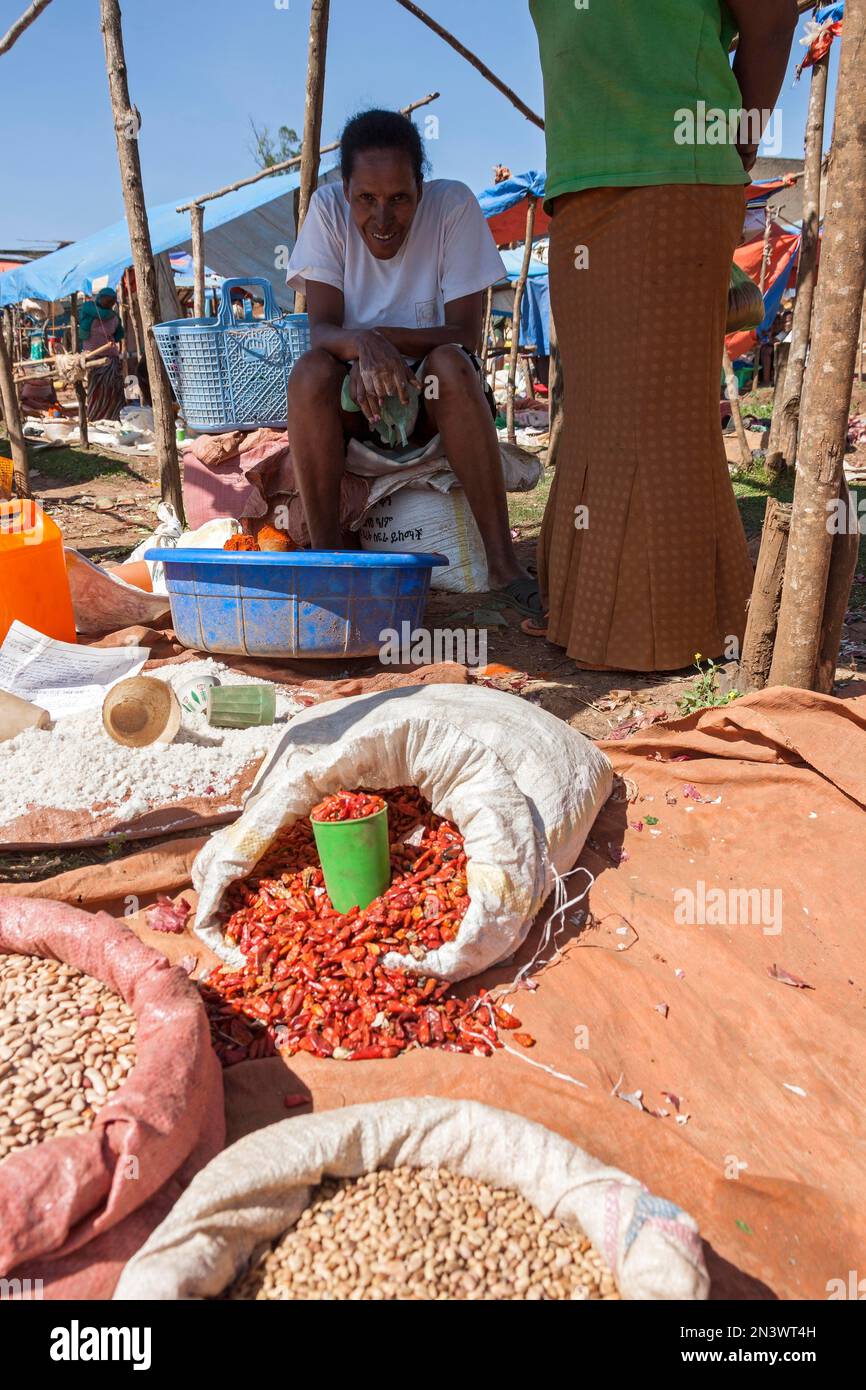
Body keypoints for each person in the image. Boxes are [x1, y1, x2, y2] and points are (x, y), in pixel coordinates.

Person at [528, 0, 798, 670]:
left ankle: (674, 634)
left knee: (656, 423)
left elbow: (772, 20)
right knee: (596, 416)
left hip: (678, 172)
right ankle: (588, 619)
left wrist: (734, 155)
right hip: (579, 185)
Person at [285, 109, 541, 616]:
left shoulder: (452, 206)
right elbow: (322, 329)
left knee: (447, 363)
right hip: (355, 412)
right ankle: (329, 557)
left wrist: (377, 342)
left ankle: (504, 563)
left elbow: (465, 333)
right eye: (366, 199)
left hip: (434, 407)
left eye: (399, 198)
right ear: (346, 191)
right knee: (311, 372)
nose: (382, 219)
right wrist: (362, 352)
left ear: (421, 188)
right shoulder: (327, 210)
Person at [78, 288, 125, 421]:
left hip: (110, 358)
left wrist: (112, 338)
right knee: (97, 390)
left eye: (112, 301)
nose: (110, 303)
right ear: (100, 298)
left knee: (113, 390)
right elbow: (102, 316)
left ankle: (114, 416)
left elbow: (120, 334)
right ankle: (96, 416)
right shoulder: (89, 307)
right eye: (108, 300)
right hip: (94, 358)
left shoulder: (114, 317)